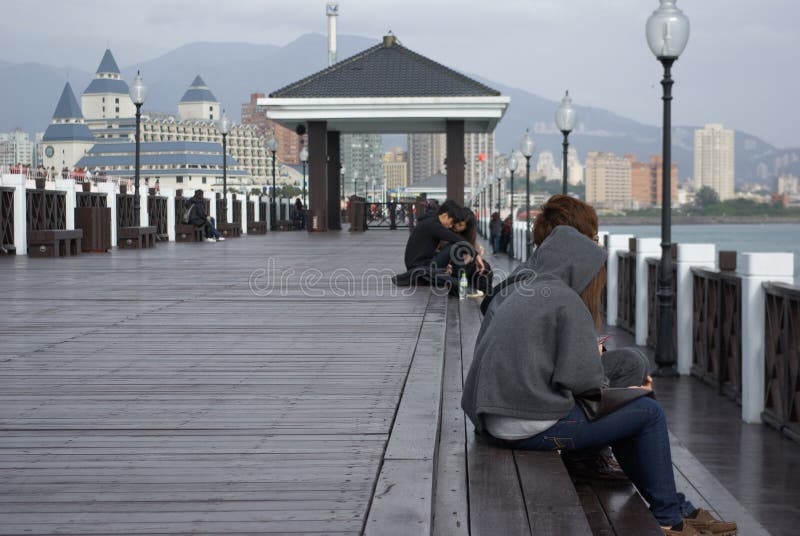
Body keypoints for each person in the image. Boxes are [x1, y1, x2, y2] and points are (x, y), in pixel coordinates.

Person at [461, 225, 737, 536]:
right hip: (525, 427)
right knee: (648, 413)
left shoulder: (524, 288)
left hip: (497, 418)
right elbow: (584, 383)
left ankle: (677, 509)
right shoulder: (565, 300)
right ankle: (671, 520)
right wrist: (628, 391)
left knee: (629, 416)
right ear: (579, 266)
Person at [395, 200, 478, 286]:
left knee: (455, 245)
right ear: (445, 216)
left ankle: (457, 278)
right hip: (420, 267)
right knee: (455, 246)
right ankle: (459, 279)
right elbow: (457, 239)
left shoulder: (431, 222)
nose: (450, 226)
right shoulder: (434, 226)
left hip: (419, 265)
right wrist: (476, 254)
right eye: (451, 222)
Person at [431, 209, 493, 297]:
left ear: (467, 227)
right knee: (482, 269)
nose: (455, 225)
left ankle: (483, 296)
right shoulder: (445, 234)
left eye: (460, 224)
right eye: (456, 222)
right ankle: (481, 295)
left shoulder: (467, 241)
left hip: (463, 275)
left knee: (484, 269)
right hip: (450, 274)